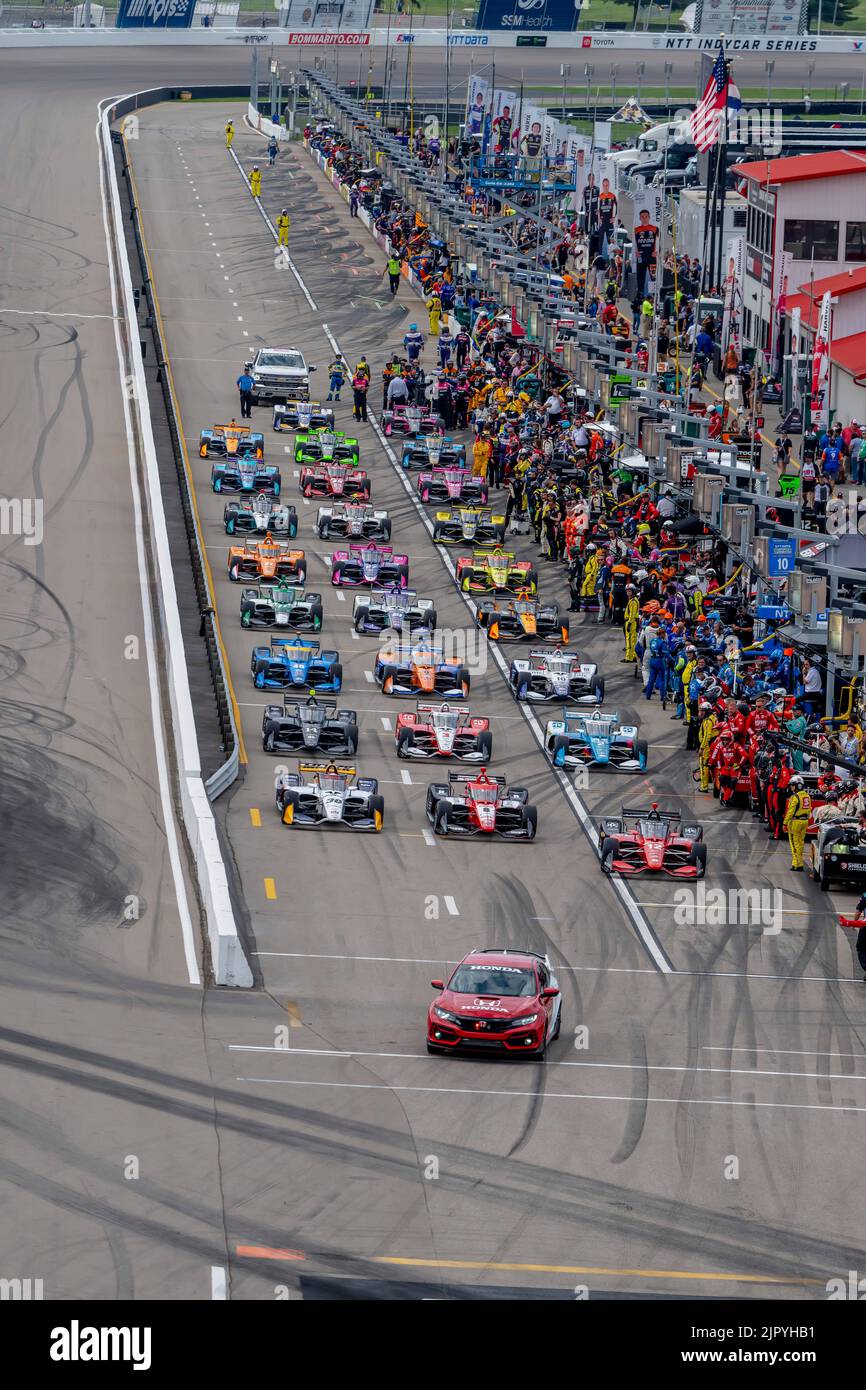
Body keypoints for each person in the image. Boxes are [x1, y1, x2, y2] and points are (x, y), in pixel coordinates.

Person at [782, 775, 812, 871]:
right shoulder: (807, 796)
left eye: (792, 785)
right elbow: (809, 809)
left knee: (794, 844)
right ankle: (800, 862)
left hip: (795, 823)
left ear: (797, 786)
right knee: (800, 843)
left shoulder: (795, 797)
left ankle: (796, 864)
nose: (791, 787)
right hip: (804, 822)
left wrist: (785, 823)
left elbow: (790, 812)